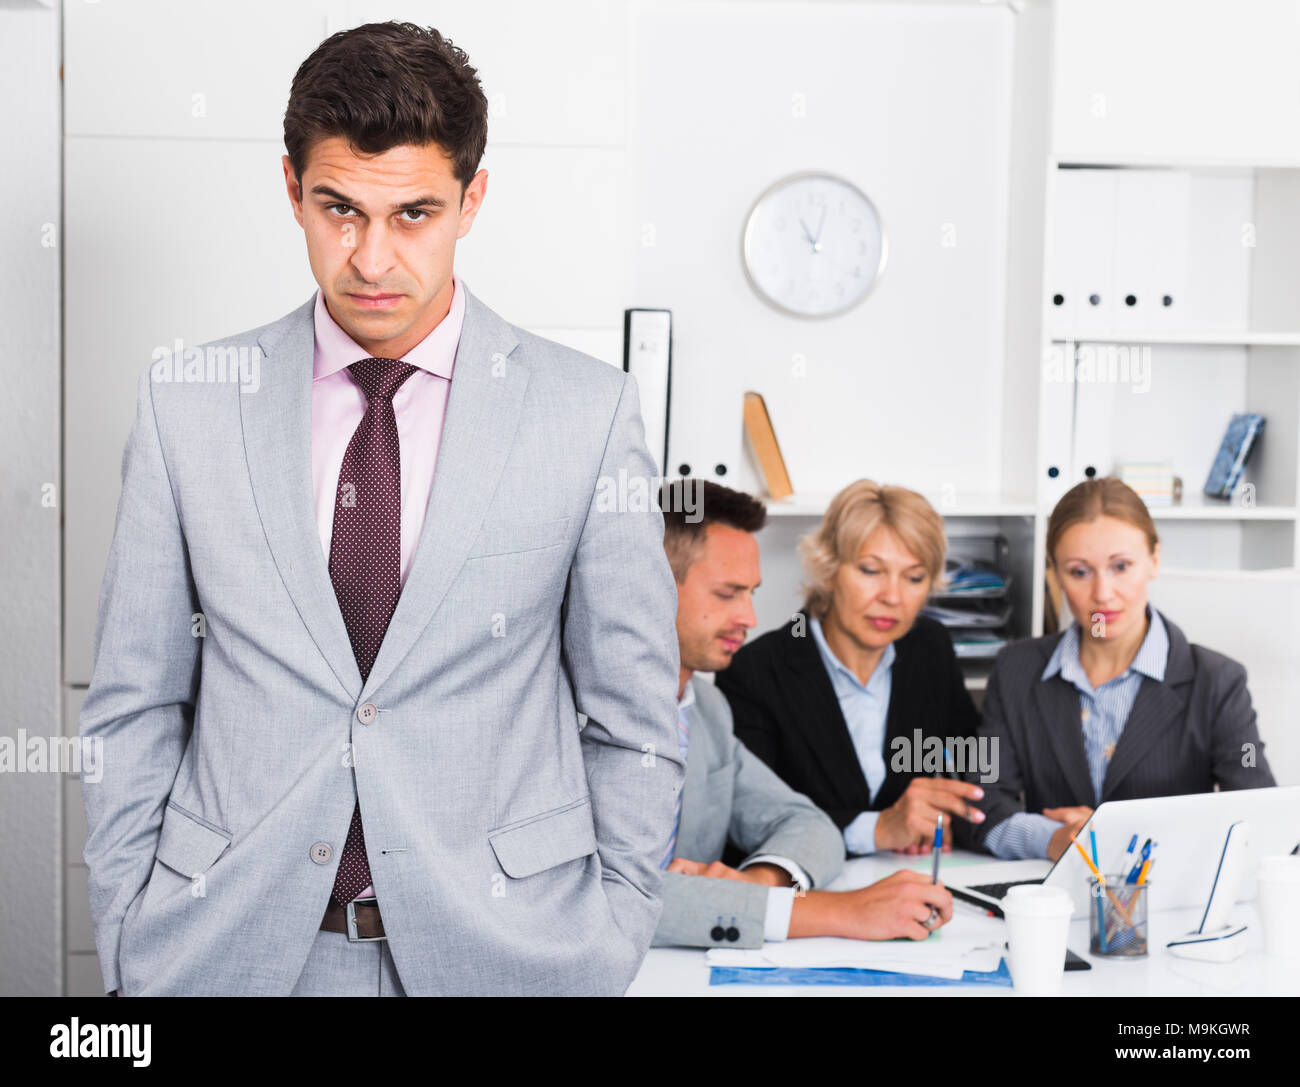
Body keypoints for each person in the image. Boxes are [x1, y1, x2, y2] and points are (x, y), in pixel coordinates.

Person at [78, 22, 683, 997]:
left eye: (413, 215)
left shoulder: (585, 412)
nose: (370, 258)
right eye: (339, 210)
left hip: (507, 956)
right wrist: (126, 933)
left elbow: (635, 712)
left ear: (471, 200)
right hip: (227, 955)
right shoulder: (185, 403)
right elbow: (134, 703)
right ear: (292, 191)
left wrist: (609, 936)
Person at [653, 480, 954, 947]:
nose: (750, 618)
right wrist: (843, 912)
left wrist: (762, 880)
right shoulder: (571, 719)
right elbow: (616, 896)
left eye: (751, 593)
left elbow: (809, 826)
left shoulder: (706, 709)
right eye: (728, 593)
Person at [967, 477, 1277, 862]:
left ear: (1154, 559)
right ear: (1055, 574)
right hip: (1053, 900)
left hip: (1168, 902)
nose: (1102, 594)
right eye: (1079, 571)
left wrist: (1121, 839)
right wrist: (1055, 838)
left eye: (1121, 566)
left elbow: (1258, 811)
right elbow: (979, 806)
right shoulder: (1016, 670)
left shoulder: (1218, 682)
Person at [716, 480, 985, 857]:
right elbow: (749, 822)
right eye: (870, 570)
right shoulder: (756, 670)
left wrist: (943, 817)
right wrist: (878, 829)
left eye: (913, 577)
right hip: (811, 895)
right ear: (829, 570)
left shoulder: (931, 646)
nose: (892, 597)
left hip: (910, 880)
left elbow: (969, 759)